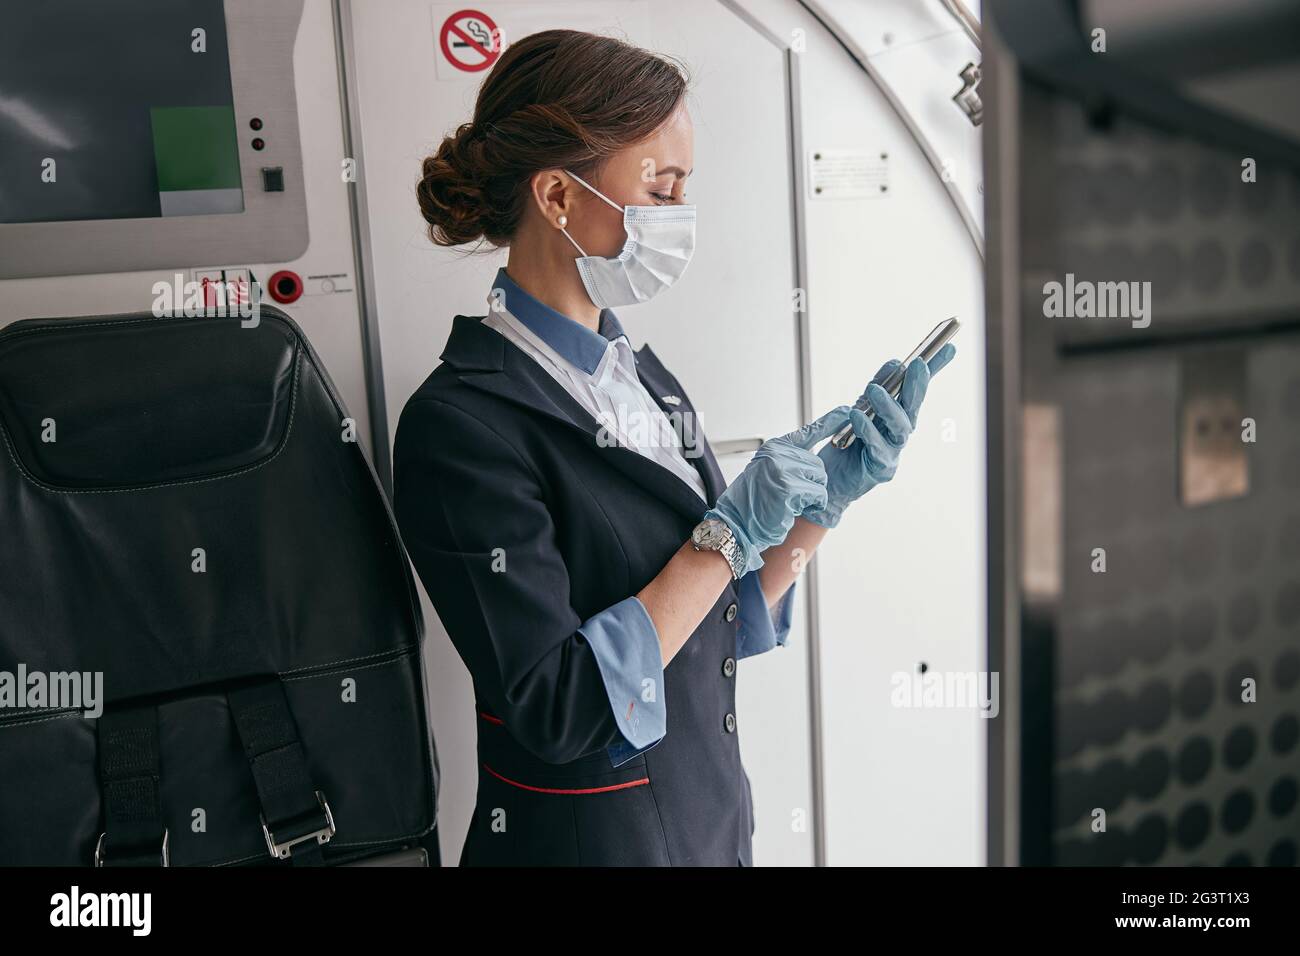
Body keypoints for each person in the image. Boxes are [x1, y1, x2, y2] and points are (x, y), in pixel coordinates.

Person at [393, 28, 954, 866]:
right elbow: (556, 704)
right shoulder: (462, 427)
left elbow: (719, 617)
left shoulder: (638, 375)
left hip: (706, 827)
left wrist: (815, 511)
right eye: (660, 186)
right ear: (557, 197)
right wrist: (727, 535)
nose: (680, 215)